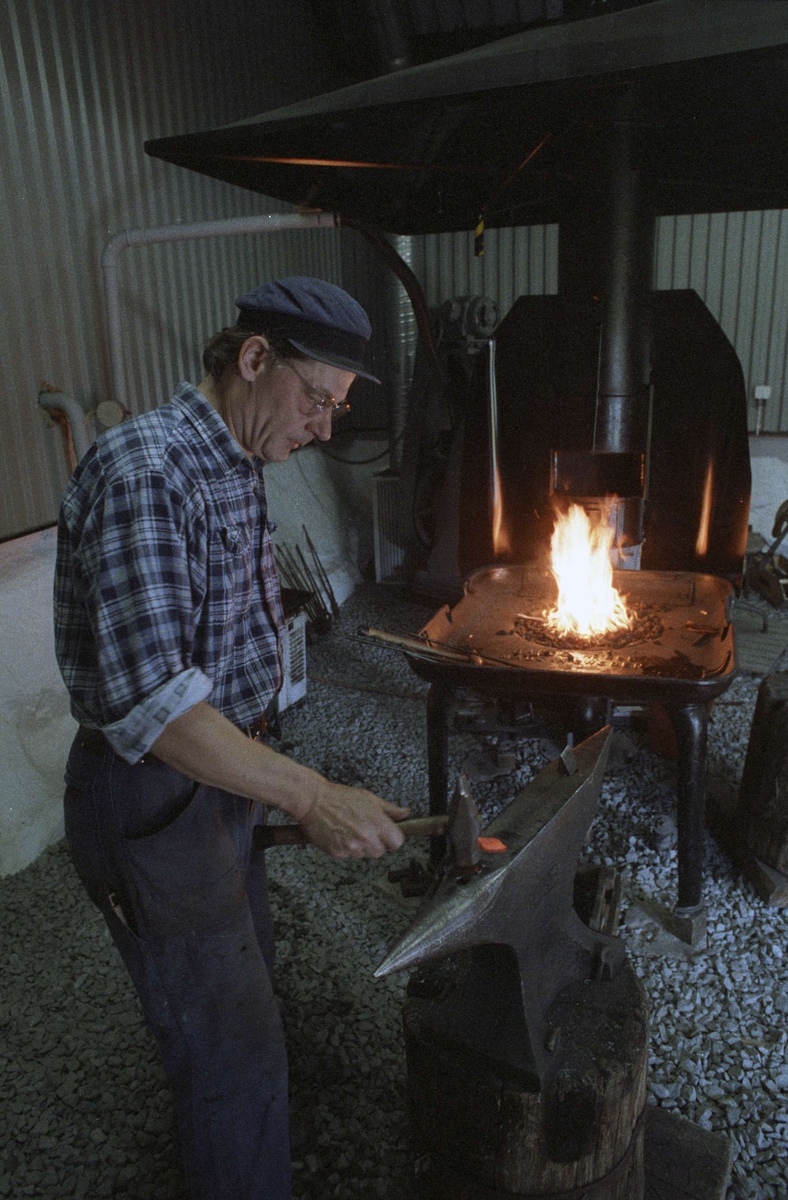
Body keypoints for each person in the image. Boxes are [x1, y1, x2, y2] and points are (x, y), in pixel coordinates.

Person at [54, 277, 410, 1200]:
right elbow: (159, 711)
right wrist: (311, 794)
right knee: (228, 1051)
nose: (326, 429)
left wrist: (272, 781)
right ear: (254, 360)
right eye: (318, 400)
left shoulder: (231, 459)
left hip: (219, 780)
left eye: (338, 407)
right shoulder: (149, 473)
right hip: (150, 794)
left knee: (241, 979)